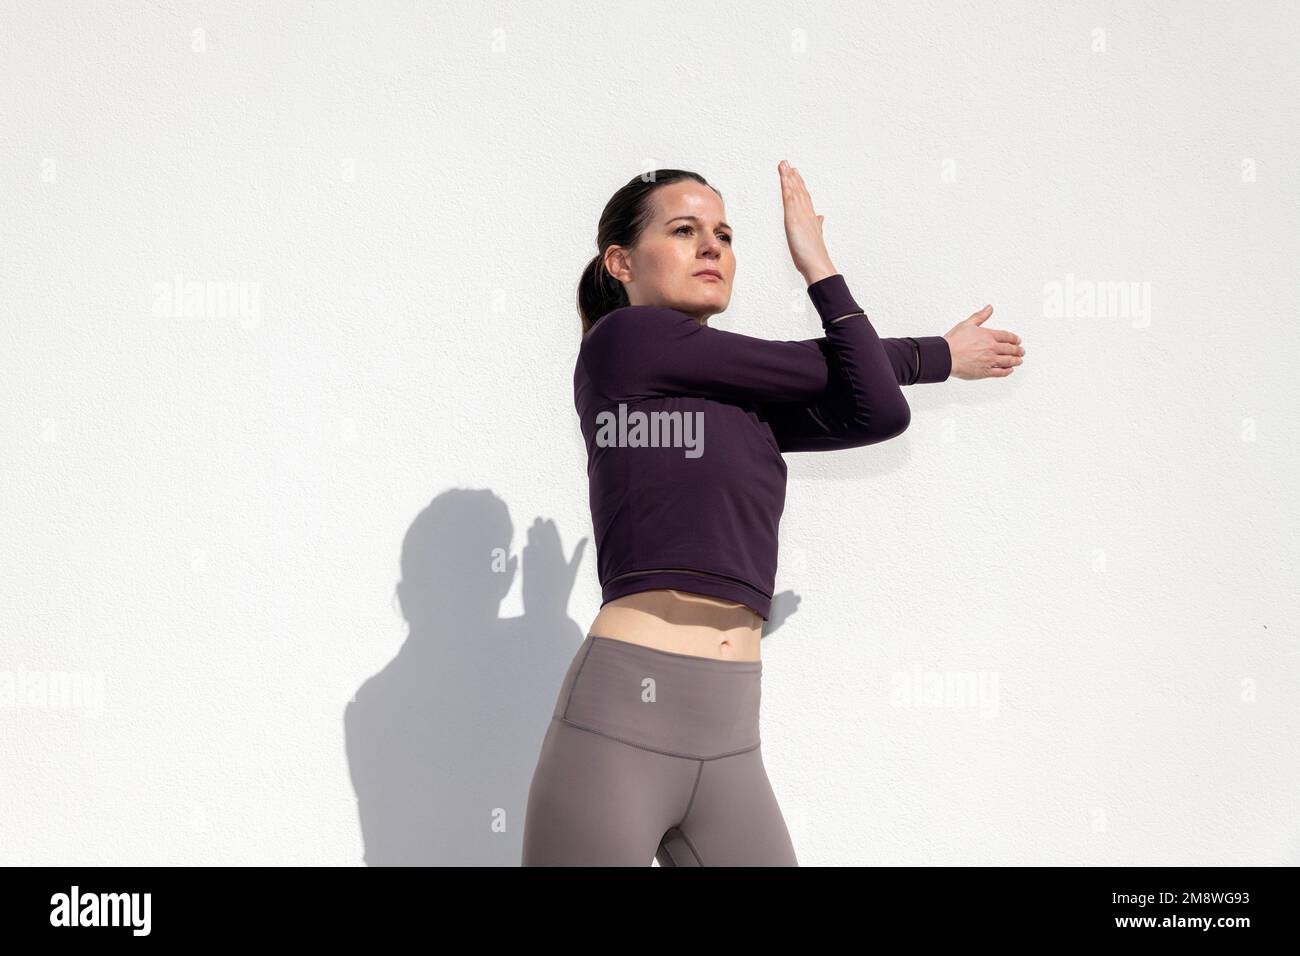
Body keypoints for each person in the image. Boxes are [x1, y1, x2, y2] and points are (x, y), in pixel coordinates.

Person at [520, 161, 1025, 866]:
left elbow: (876, 406)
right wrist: (919, 340)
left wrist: (828, 272)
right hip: (620, 728)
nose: (712, 247)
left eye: (724, 234)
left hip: (731, 738)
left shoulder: (744, 406)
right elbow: (813, 368)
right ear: (620, 261)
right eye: (685, 230)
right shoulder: (623, 341)